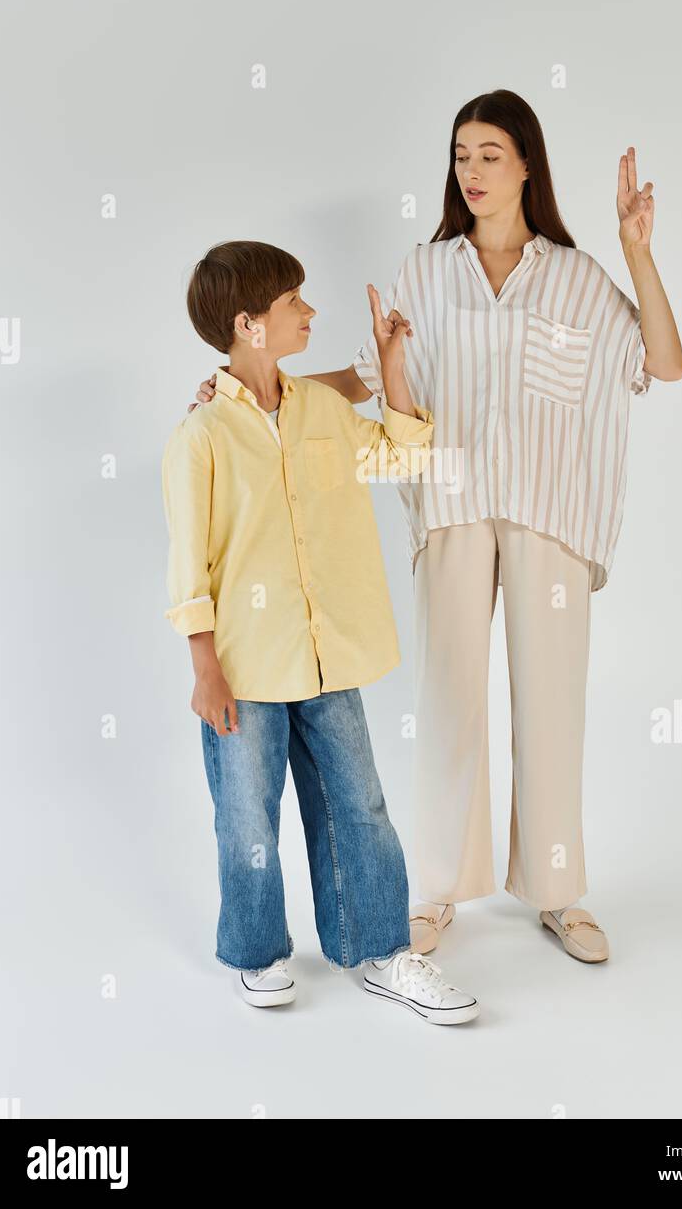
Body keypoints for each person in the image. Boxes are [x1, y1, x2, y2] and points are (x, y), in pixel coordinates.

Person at [190, 89, 682, 968]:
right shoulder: (425, 268)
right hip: (448, 503)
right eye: (461, 154)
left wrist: (637, 253)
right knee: (450, 701)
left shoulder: (577, 278)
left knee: (553, 704)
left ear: (528, 163)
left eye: (491, 153)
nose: (473, 170)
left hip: (553, 509)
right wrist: (241, 389)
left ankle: (559, 895)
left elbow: (662, 362)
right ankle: (439, 889)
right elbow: (374, 379)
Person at [162, 239, 479, 1023]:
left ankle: (376, 948)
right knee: (246, 813)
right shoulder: (200, 436)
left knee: (359, 805)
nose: (310, 312)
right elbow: (188, 568)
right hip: (243, 666)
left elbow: (405, 456)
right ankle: (256, 951)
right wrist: (205, 669)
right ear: (251, 324)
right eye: (295, 303)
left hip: (330, 653)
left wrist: (391, 364)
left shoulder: (323, 413)